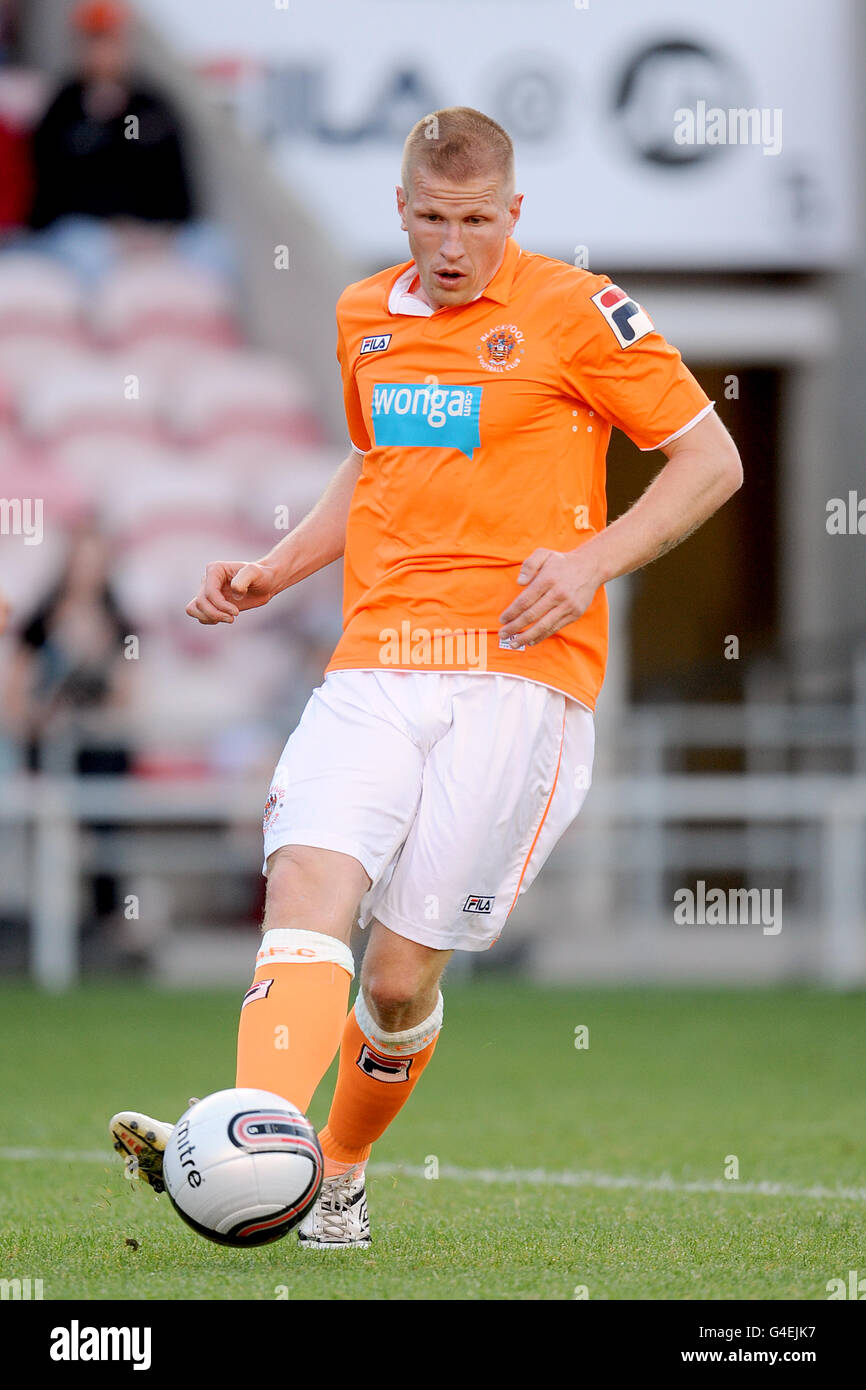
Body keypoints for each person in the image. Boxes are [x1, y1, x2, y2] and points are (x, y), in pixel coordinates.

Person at [110, 107, 742, 1248]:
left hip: (518, 678)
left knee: (396, 983)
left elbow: (711, 459)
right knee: (305, 887)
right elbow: (375, 463)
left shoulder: (575, 312)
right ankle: (253, 1138)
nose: (453, 245)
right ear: (400, 208)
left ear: (513, 215)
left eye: (477, 222)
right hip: (373, 662)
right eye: (432, 219)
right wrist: (274, 568)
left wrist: (590, 559)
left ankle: (336, 1172)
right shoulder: (362, 315)